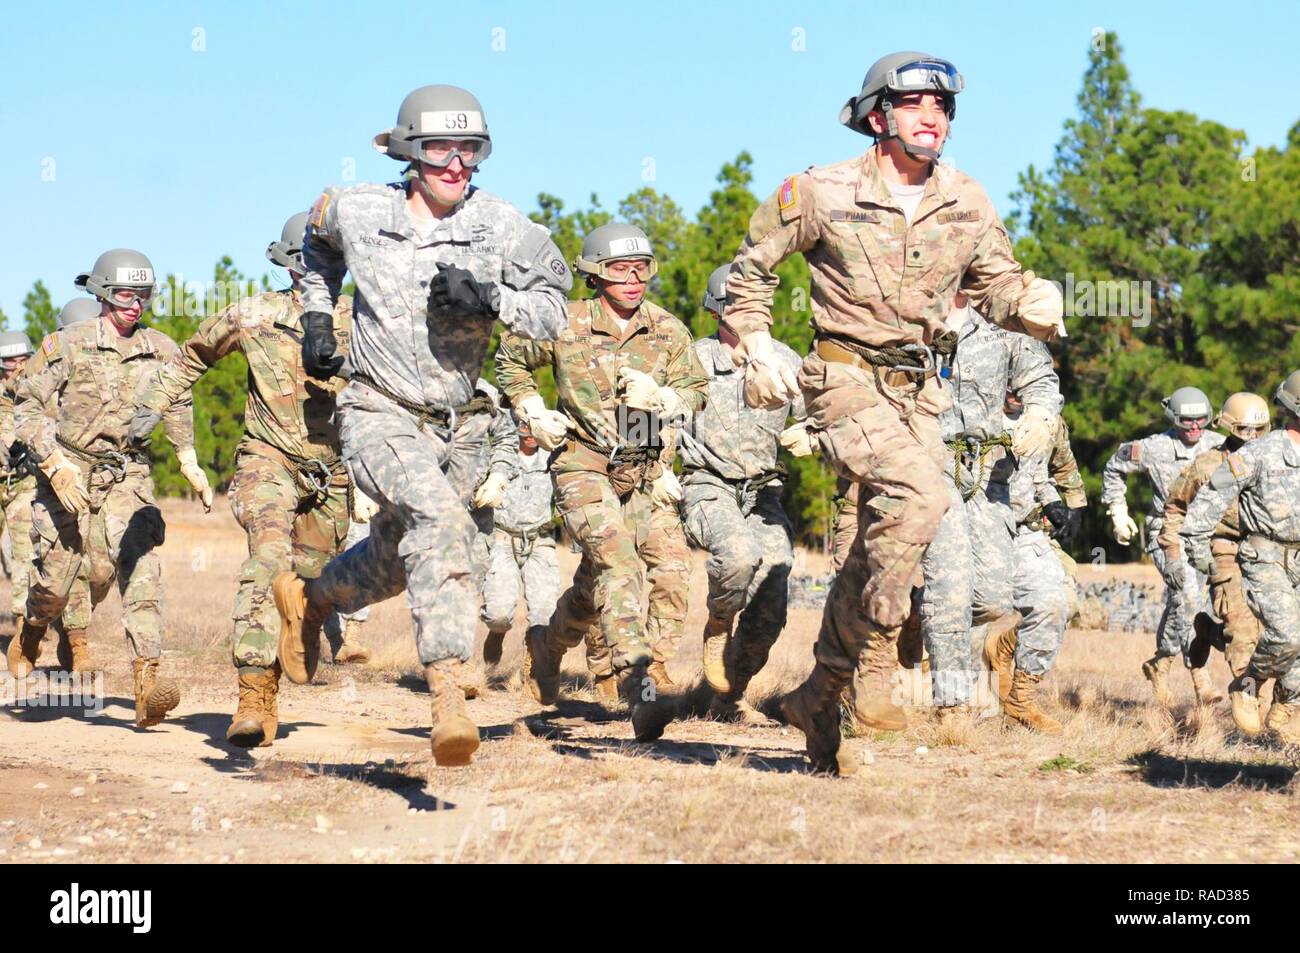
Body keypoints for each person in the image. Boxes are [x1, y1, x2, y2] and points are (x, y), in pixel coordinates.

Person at [725, 52, 1064, 773]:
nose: (932, 116)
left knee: (881, 541)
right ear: (879, 116)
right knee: (924, 498)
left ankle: (822, 688)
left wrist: (1032, 303)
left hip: (920, 391)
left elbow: (996, 283)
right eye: (915, 104)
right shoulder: (819, 189)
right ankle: (871, 654)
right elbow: (749, 269)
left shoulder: (968, 199)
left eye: (942, 106)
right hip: (844, 377)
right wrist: (754, 340)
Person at [271, 85, 571, 766]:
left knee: (402, 558)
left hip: (458, 426)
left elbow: (555, 310)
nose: (457, 162)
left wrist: (491, 297)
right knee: (439, 524)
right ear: (408, 150)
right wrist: (319, 316)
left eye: (471, 149)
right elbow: (316, 250)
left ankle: (313, 599)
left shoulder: (503, 224)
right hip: (376, 407)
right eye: (441, 147)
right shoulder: (355, 207)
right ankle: (448, 692)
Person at [133, 212, 363, 747]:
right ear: (289, 263)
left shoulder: (365, 321)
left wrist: (351, 369)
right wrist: (150, 406)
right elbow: (192, 356)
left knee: (313, 582)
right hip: (269, 459)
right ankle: (254, 695)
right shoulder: (254, 314)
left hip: (331, 470)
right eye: (309, 263)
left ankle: (298, 639)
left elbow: (405, 379)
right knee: (268, 563)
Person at [497, 223, 707, 741]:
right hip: (582, 464)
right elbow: (510, 360)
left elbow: (696, 387)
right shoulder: (564, 324)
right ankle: (642, 683)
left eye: (642, 268)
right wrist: (531, 408)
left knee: (668, 569)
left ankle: (550, 646)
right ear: (594, 274)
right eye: (620, 269)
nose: (634, 279)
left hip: (644, 471)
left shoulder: (668, 329)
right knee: (618, 562)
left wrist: (666, 396)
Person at [10, 249, 211, 728]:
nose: (134, 304)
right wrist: (54, 464)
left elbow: (178, 400)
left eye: (143, 295)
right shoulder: (68, 343)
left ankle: (147, 683)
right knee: (58, 583)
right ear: (101, 293)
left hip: (128, 474)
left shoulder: (161, 348)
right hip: (69, 474)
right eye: (125, 293)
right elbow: (27, 407)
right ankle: (33, 628)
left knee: (140, 565)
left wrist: (187, 457)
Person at [678, 264, 808, 724]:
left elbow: (824, 412)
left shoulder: (787, 361)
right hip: (706, 485)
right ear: (718, 310)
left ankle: (728, 697)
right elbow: (649, 419)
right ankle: (717, 626)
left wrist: (811, 432)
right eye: (739, 304)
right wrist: (653, 470)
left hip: (763, 494)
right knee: (735, 556)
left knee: (773, 594)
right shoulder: (690, 360)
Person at [1183, 373, 1300, 739]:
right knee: (1286, 634)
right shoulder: (1259, 452)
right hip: (1265, 555)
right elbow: (1208, 501)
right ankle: (1247, 685)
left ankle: (1289, 697)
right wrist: (1198, 549)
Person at [1102, 387, 1224, 705]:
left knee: (1186, 604)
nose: (1195, 427)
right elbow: (1114, 466)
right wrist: (1118, 511)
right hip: (1166, 535)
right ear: (1174, 418)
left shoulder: (1219, 446)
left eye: (1201, 420)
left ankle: (1161, 663)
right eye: (1187, 421)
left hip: (1206, 535)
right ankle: (1200, 676)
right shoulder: (1154, 447)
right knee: (1186, 595)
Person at [1158, 392, 1270, 701]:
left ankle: (1210, 632)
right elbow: (1175, 509)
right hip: (1225, 553)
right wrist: (1173, 556)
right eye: (1245, 430)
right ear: (1229, 427)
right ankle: (1249, 704)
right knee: (1244, 631)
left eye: (1259, 430)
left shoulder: (1276, 458)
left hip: (1272, 553)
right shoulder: (1207, 464)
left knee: (1278, 633)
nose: (1253, 437)